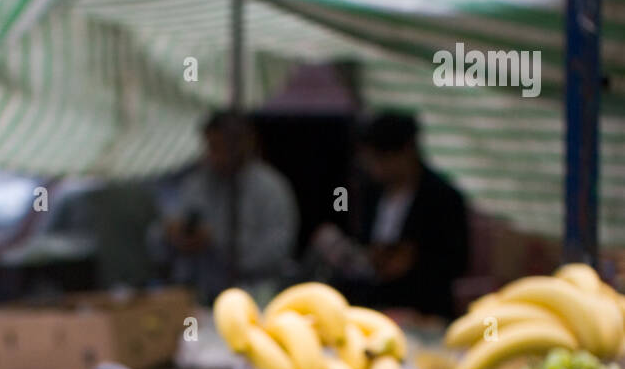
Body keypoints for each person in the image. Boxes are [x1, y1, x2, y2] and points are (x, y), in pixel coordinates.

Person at [311, 111, 470, 319]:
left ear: (406, 152)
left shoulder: (444, 198)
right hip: (370, 303)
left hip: (422, 308)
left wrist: (412, 259)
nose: (375, 168)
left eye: (381, 159)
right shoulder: (370, 193)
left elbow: (456, 262)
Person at [155, 111, 299, 302]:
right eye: (210, 146)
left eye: (220, 147)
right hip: (201, 297)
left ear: (245, 142)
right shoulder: (196, 184)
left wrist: (216, 241)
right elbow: (162, 238)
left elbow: (276, 252)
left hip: (254, 297)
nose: (214, 155)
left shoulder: (271, 189)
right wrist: (172, 234)